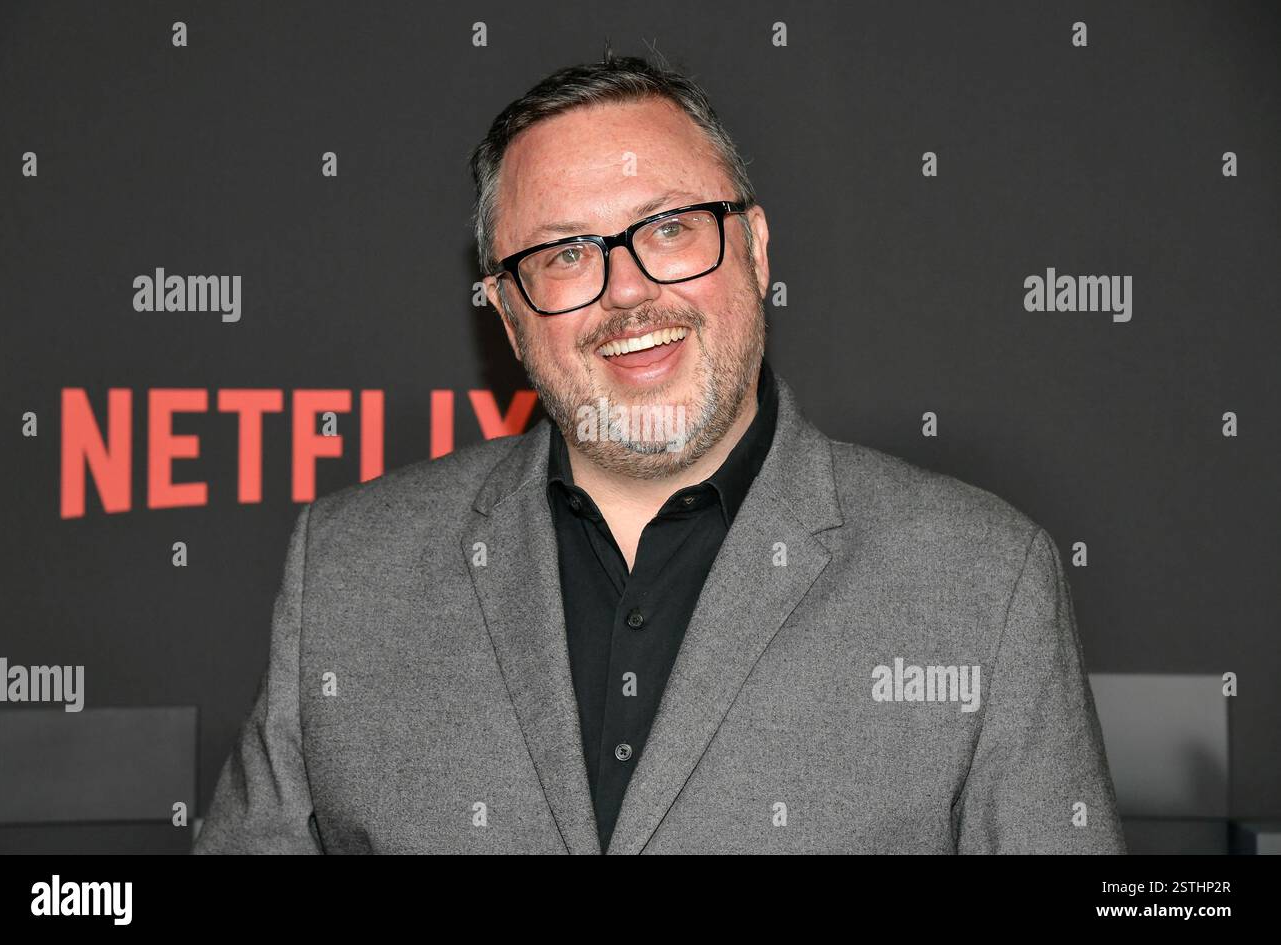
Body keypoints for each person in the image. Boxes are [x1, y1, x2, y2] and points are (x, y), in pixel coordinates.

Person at [194, 51, 1125, 854]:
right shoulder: (347, 570)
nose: (628, 292)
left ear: (756, 250)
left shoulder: (981, 581)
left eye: (670, 229)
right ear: (510, 317)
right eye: (565, 253)